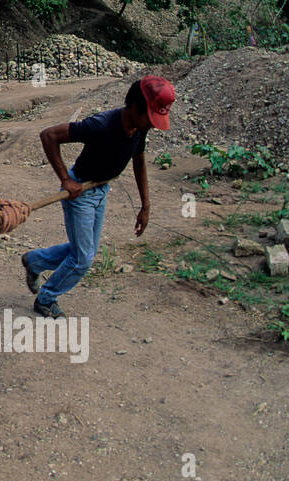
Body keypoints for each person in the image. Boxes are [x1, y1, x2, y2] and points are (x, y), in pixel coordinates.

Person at [21, 76, 175, 319]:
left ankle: (36, 261)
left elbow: (139, 160)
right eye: (151, 118)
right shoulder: (101, 125)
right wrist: (65, 180)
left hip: (100, 190)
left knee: (83, 251)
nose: (153, 125)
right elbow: (48, 135)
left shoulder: (138, 128)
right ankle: (46, 298)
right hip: (80, 193)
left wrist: (146, 205)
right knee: (83, 259)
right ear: (135, 106)